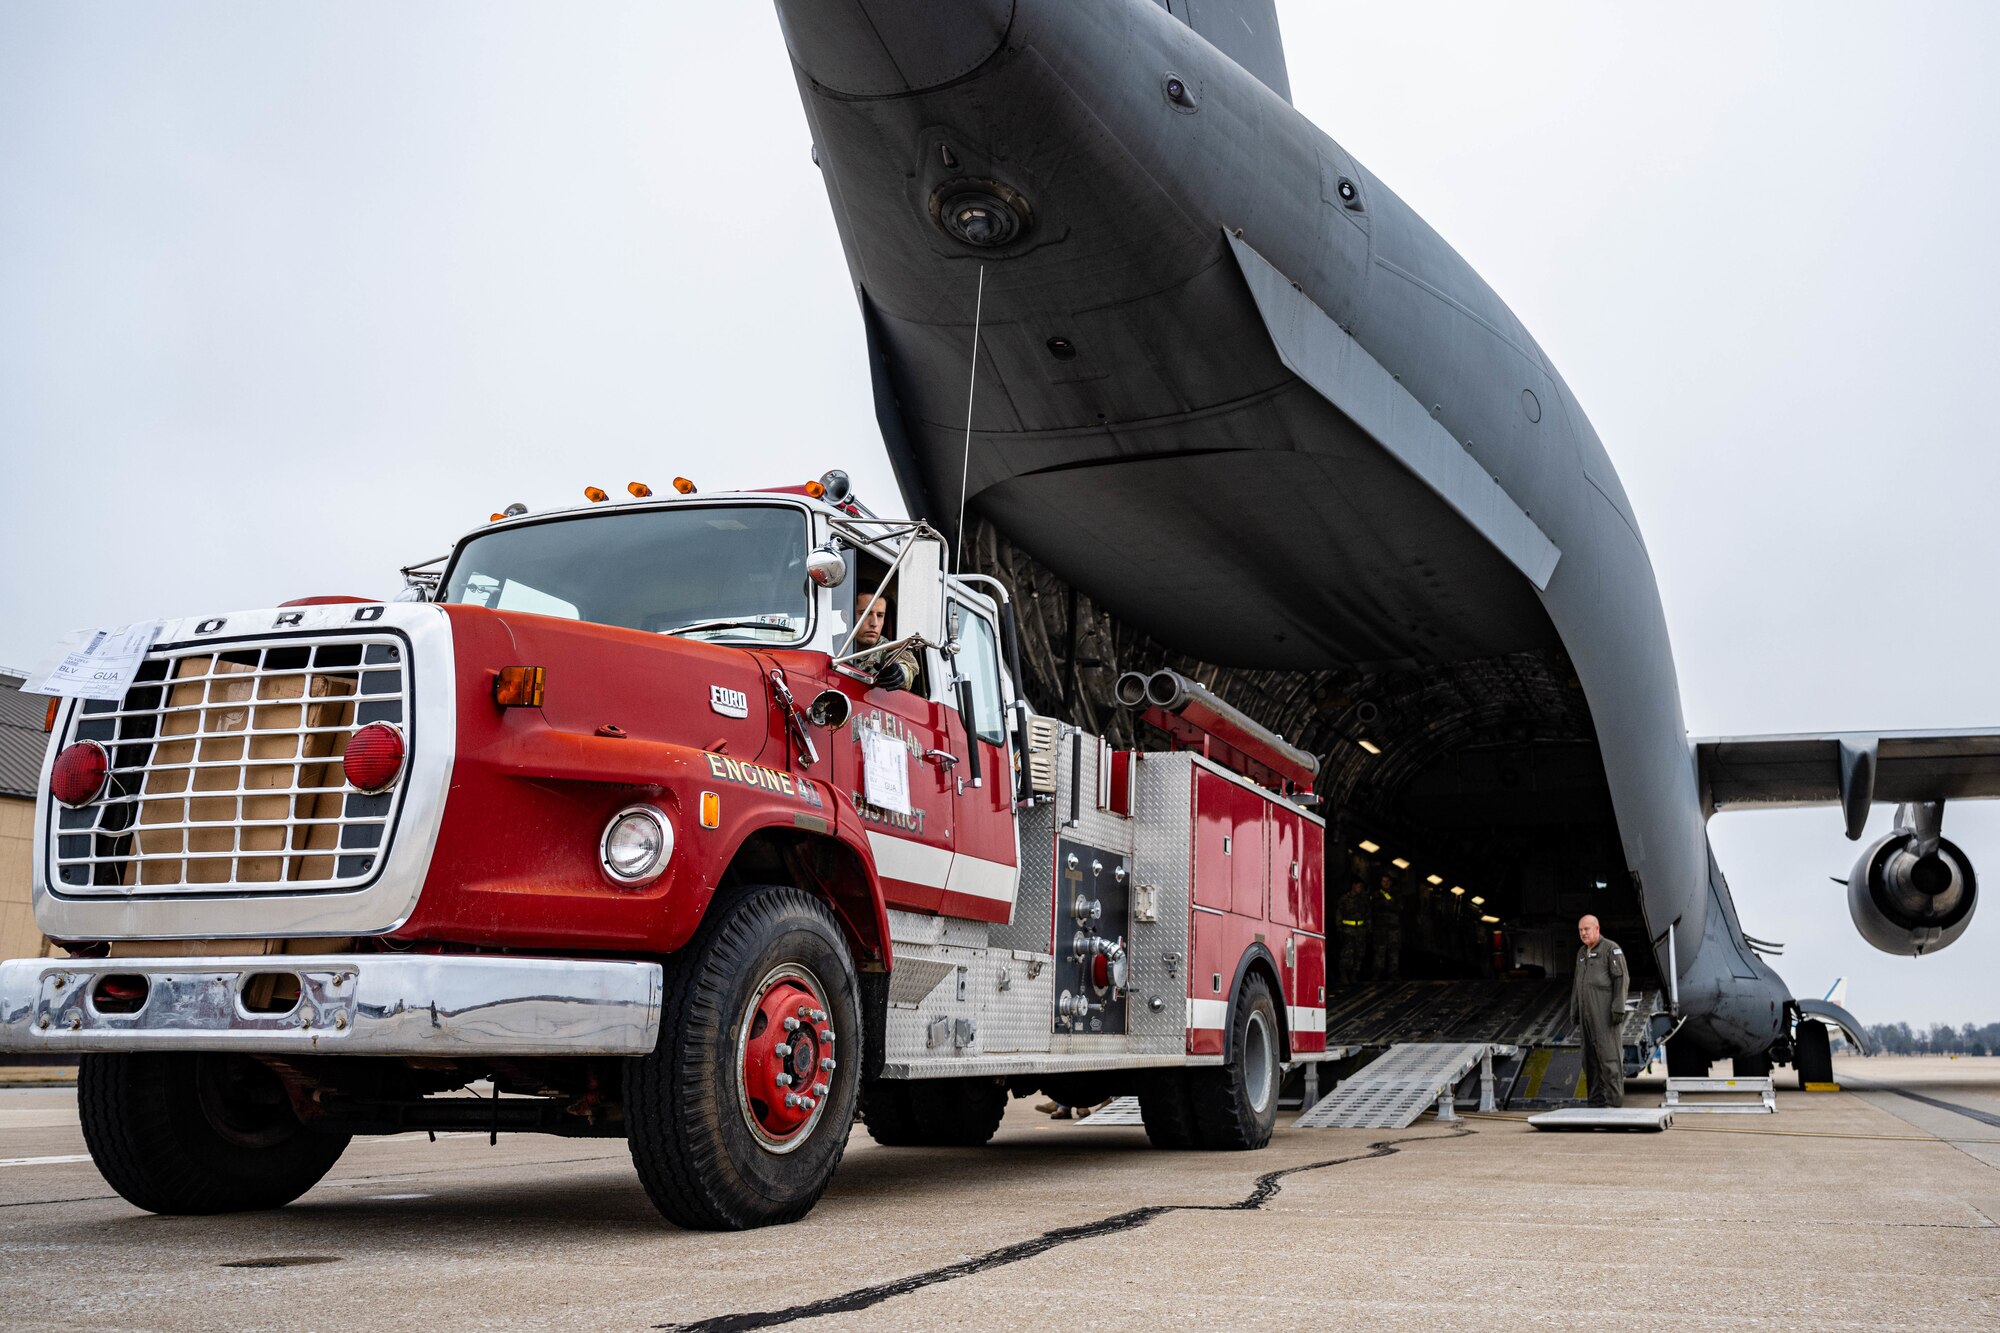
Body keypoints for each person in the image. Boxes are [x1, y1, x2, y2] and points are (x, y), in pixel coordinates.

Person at [1571, 914, 1629, 1107]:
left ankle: (1614, 1103)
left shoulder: (1611, 949)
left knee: (1609, 1059)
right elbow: (1577, 984)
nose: (1583, 933)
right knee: (1590, 1060)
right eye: (1580, 930)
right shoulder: (1581, 953)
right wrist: (1575, 1010)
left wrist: (1618, 1009)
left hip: (1604, 1016)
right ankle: (1595, 1103)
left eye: (1586, 929)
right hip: (1587, 1017)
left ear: (1597, 928)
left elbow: (1621, 980)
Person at [852, 589, 917, 692]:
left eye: (880, 615)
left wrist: (899, 673)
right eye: (866, 614)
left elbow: (907, 667)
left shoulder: (888, 649)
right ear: (846, 615)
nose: (874, 623)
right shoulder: (831, 647)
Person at [1334, 879, 1371, 985]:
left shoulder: (1363, 900)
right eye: (1359, 886)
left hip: (1360, 931)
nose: (1361, 889)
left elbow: (1368, 915)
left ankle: (1354, 975)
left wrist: (1368, 929)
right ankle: (1344, 975)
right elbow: (1339, 915)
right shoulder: (1344, 899)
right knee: (1347, 954)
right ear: (1353, 886)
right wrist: (1339, 929)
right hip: (1348, 931)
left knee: (1359, 954)